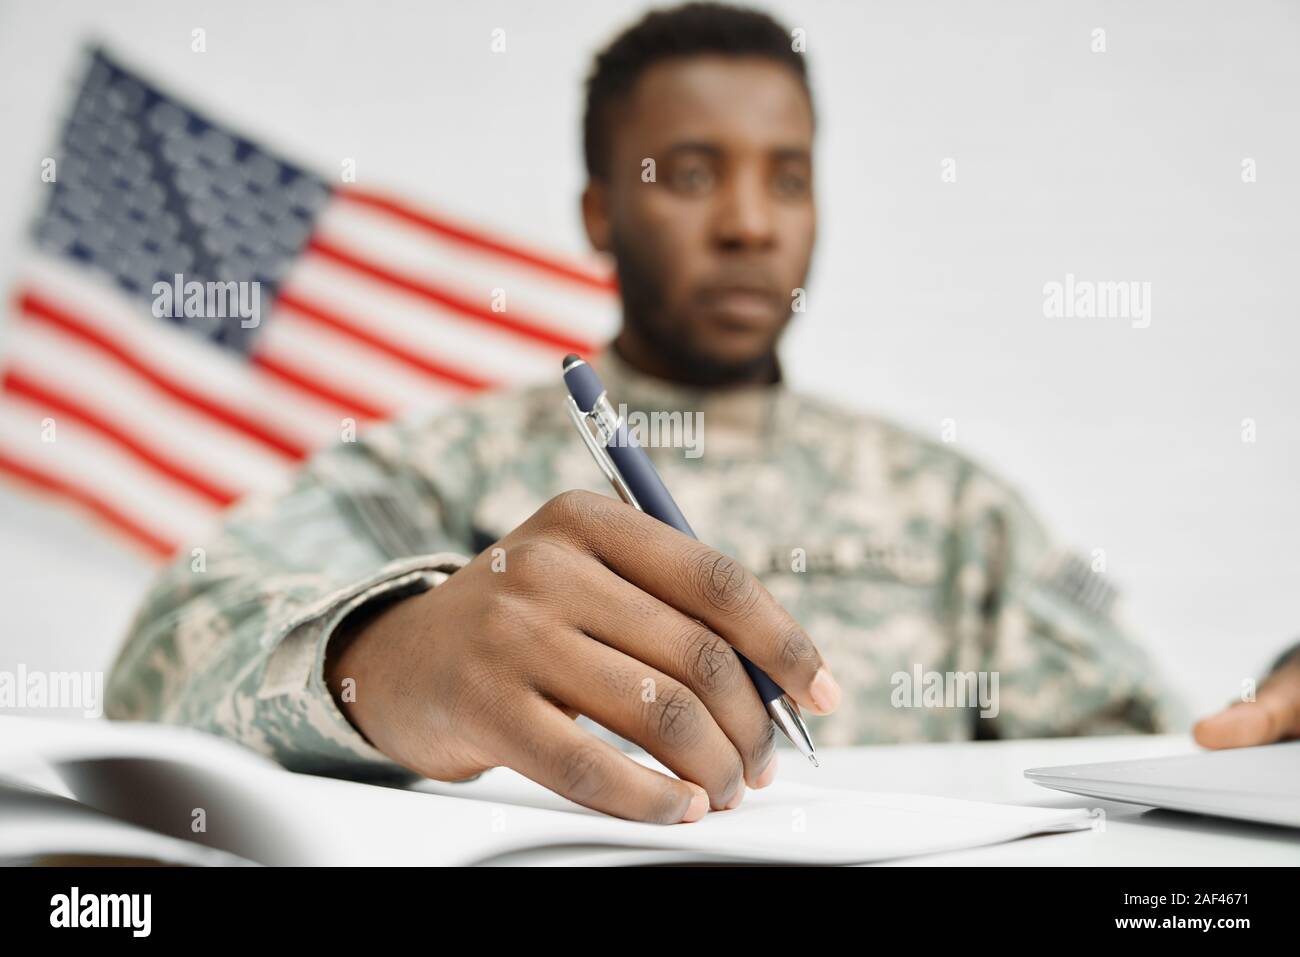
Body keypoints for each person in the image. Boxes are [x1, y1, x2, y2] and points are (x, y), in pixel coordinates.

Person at [104, 2, 1300, 825]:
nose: (747, 222)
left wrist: (1268, 727)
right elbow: (161, 660)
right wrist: (388, 660)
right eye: (687, 172)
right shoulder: (431, 468)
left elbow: (1140, 753)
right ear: (594, 213)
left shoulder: (952, 505)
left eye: (786, 176)